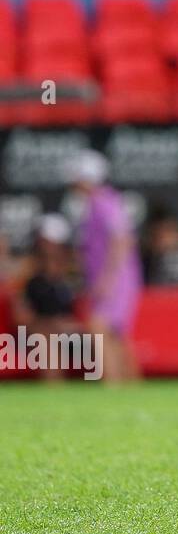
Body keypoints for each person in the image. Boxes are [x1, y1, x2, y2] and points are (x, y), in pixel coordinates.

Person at [68, 150, 143, 382]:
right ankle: (131, 386)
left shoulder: (104, 202)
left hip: (116, 279)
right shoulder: (97, 204)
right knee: (116, 334)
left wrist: (107, 279)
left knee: (98, 328)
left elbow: (122, 240)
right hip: (113, 277)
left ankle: (112, 385)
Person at [11, 214, 82, 381]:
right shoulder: (27, 274)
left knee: (100, 337)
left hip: (69, 332)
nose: (47, 247)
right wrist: (51, 324)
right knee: (46, 337)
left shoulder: (72, 275)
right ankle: (55, 393)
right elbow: (22, 318)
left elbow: (80, 314)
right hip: (35, 333)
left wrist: (67, 325)